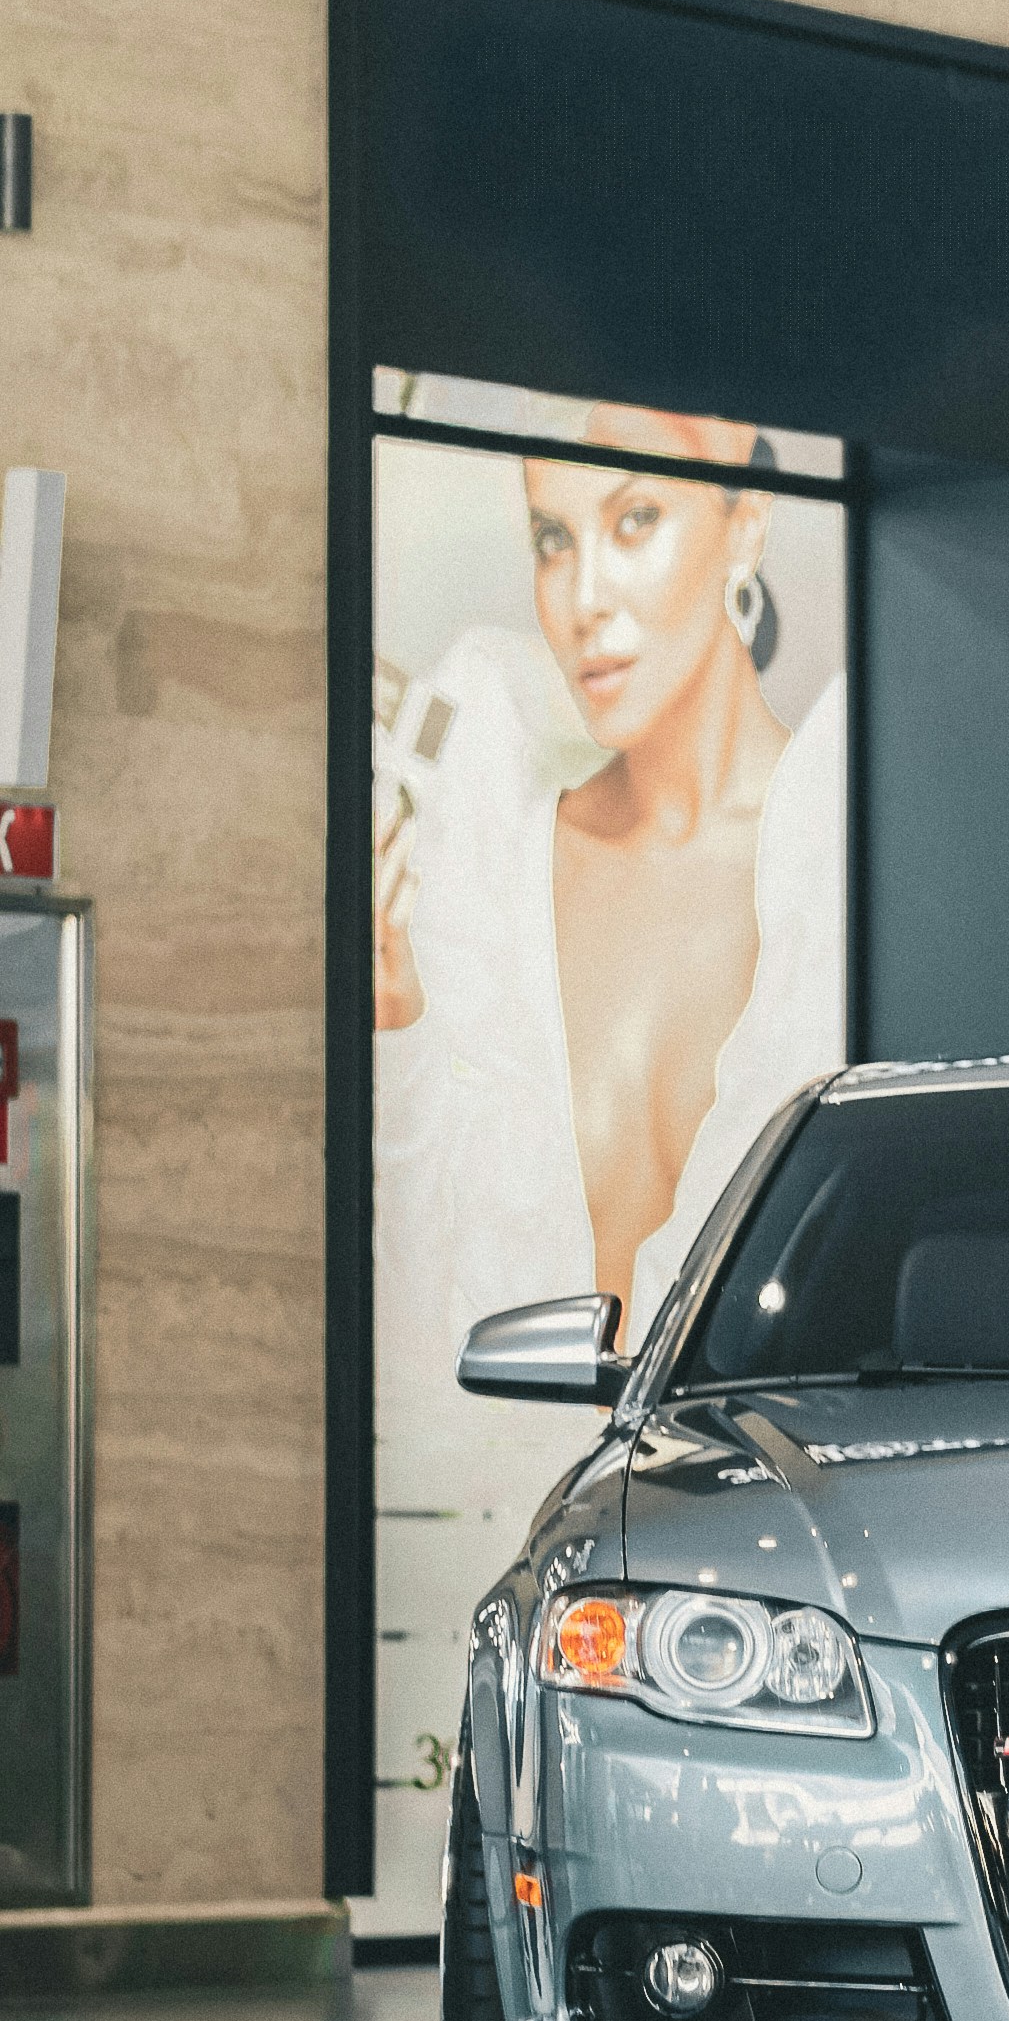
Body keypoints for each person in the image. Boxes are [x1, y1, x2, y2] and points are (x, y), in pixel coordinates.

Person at [373, 402, 844, 1427]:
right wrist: (398, 1025)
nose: (584, 598)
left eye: (634, 521)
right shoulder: (488, 875)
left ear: (746, 522)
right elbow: (408, 1342)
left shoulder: (845, 862)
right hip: (506, 1530)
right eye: (554, 539)